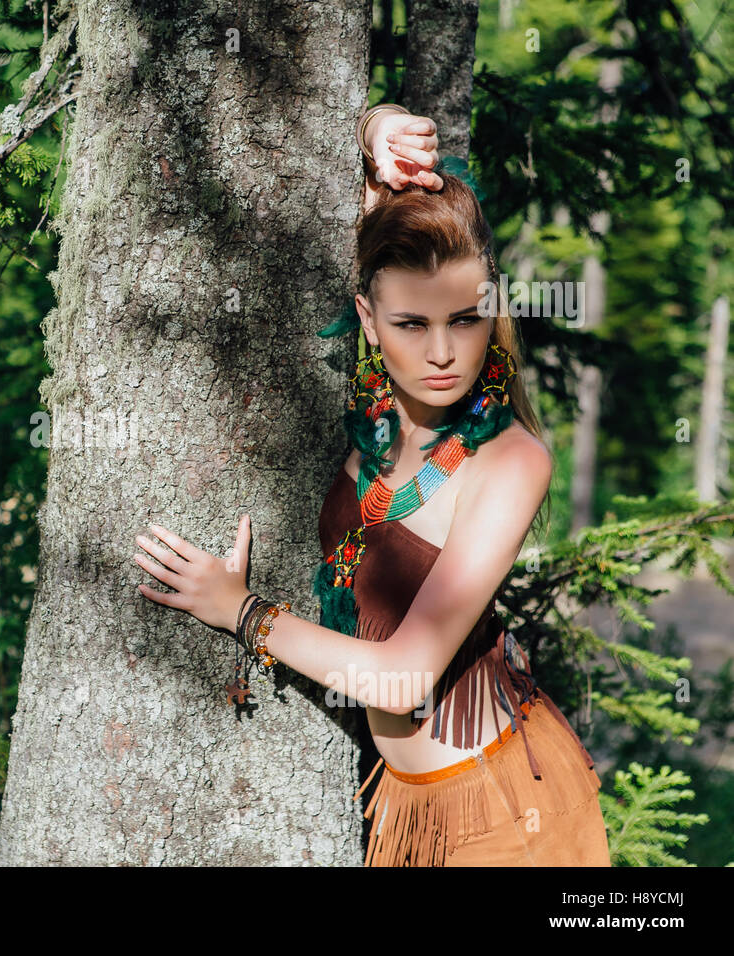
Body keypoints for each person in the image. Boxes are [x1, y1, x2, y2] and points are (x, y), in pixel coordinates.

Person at [133, 104, 612, 866]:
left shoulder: (511, 459)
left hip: (504, 812)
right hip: (397, 805)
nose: (444, 352)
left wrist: (242, 612)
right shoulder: (369, 413)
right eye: (412, 326)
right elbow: (320, 181)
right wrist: (374, 134)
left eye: (465, 318)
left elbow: (403, 678)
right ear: (365, 316)